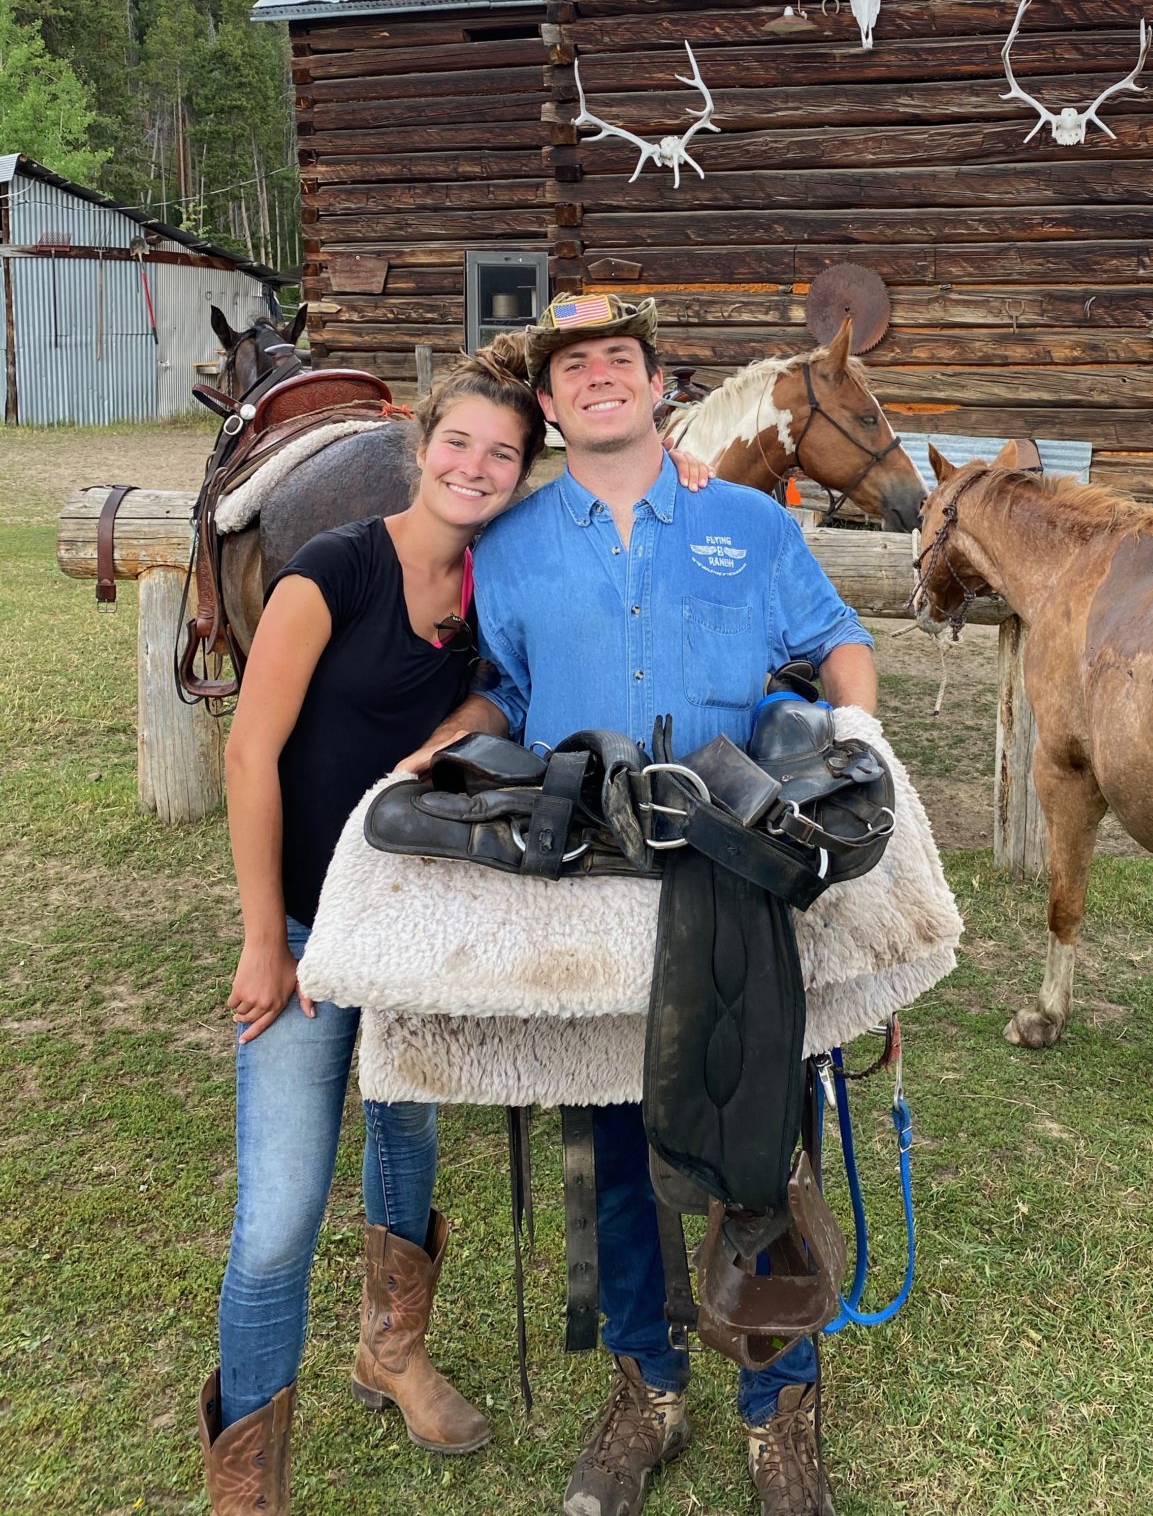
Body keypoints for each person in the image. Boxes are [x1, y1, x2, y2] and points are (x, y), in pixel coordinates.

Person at [405, 293, 877, 1516]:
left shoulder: (748, 523)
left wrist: (861, 727)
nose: (600, 378)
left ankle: (782, 1408)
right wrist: (437, 752)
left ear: (659, 383)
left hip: (730, 868)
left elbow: (836, 638)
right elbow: (503, 688)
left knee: (759, 1135)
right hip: (592, 870)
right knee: (607, 1148)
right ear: (550, 405)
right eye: (575, 368)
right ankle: (646, 1385)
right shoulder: (508, 543)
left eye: (623, 358)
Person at [198, 339, 546, 1515]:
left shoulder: (494, 591)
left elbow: (511, 689)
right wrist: (263, 939)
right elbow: (249, 748)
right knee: (277, 1216)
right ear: (421, 444)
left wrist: (456, 726)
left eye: (503, 452)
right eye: (459, 441)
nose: (476, 465)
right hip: (302, 926)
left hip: (410, 924)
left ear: (520, 472)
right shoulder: (331, 570)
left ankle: (390, 1349)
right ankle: (247, 1478)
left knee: (407, 1142)